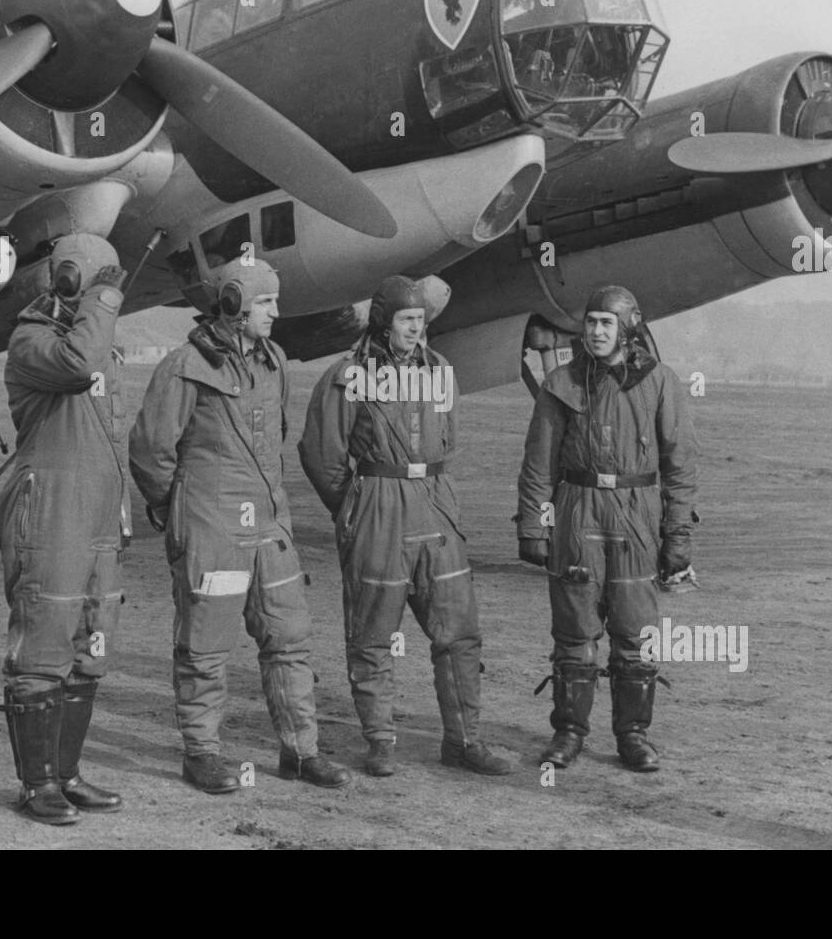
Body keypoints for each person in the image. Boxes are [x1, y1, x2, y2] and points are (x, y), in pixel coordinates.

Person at [129, 258, 351, 794]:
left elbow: (274, 438)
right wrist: (176, 509)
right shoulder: (184, 365)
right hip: (213, 528)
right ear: (234, 302)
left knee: (289, 641)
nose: (277, 312)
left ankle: (301, 753)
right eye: (267, 303)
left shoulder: (274, 360)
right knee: (205, 647)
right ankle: (201, 754)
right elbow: (151, 449)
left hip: (269, 528)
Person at [299, 276, 512, 777]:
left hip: (436, 501)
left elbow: (450, 435)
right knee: (373, 633)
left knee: (459, 631)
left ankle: (464, 741)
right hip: (378, 502)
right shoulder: (348, 375)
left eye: (420, 320)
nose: (415, 329)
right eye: (405, 321)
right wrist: (356, 505)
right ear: (383, 322)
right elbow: (321, 453)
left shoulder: (439, 371)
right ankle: (380, 741)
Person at [517, 285, 697, 772]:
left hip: (638, 513)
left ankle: (633, 736)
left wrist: (676, 534)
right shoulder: (561, 382)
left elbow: (680, 466)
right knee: (574, 631)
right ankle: (569, 732)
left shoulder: (660, 382)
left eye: (606, 323)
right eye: (591, 322)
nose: (596, 331)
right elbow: (539, 461)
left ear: (628, 327)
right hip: (576, 511)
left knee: (636, 631)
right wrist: (534, 524)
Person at [0, 233, 131, 826]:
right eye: (102, 279)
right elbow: (77, 365)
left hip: (98, 514)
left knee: (90, 644)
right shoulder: (32, 340)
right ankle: (36, 784)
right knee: (44, 642)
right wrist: (101, 299)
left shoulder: (102, 346)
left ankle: (68, 774)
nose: (112, 292)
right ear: (72, 279)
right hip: (49, 510)